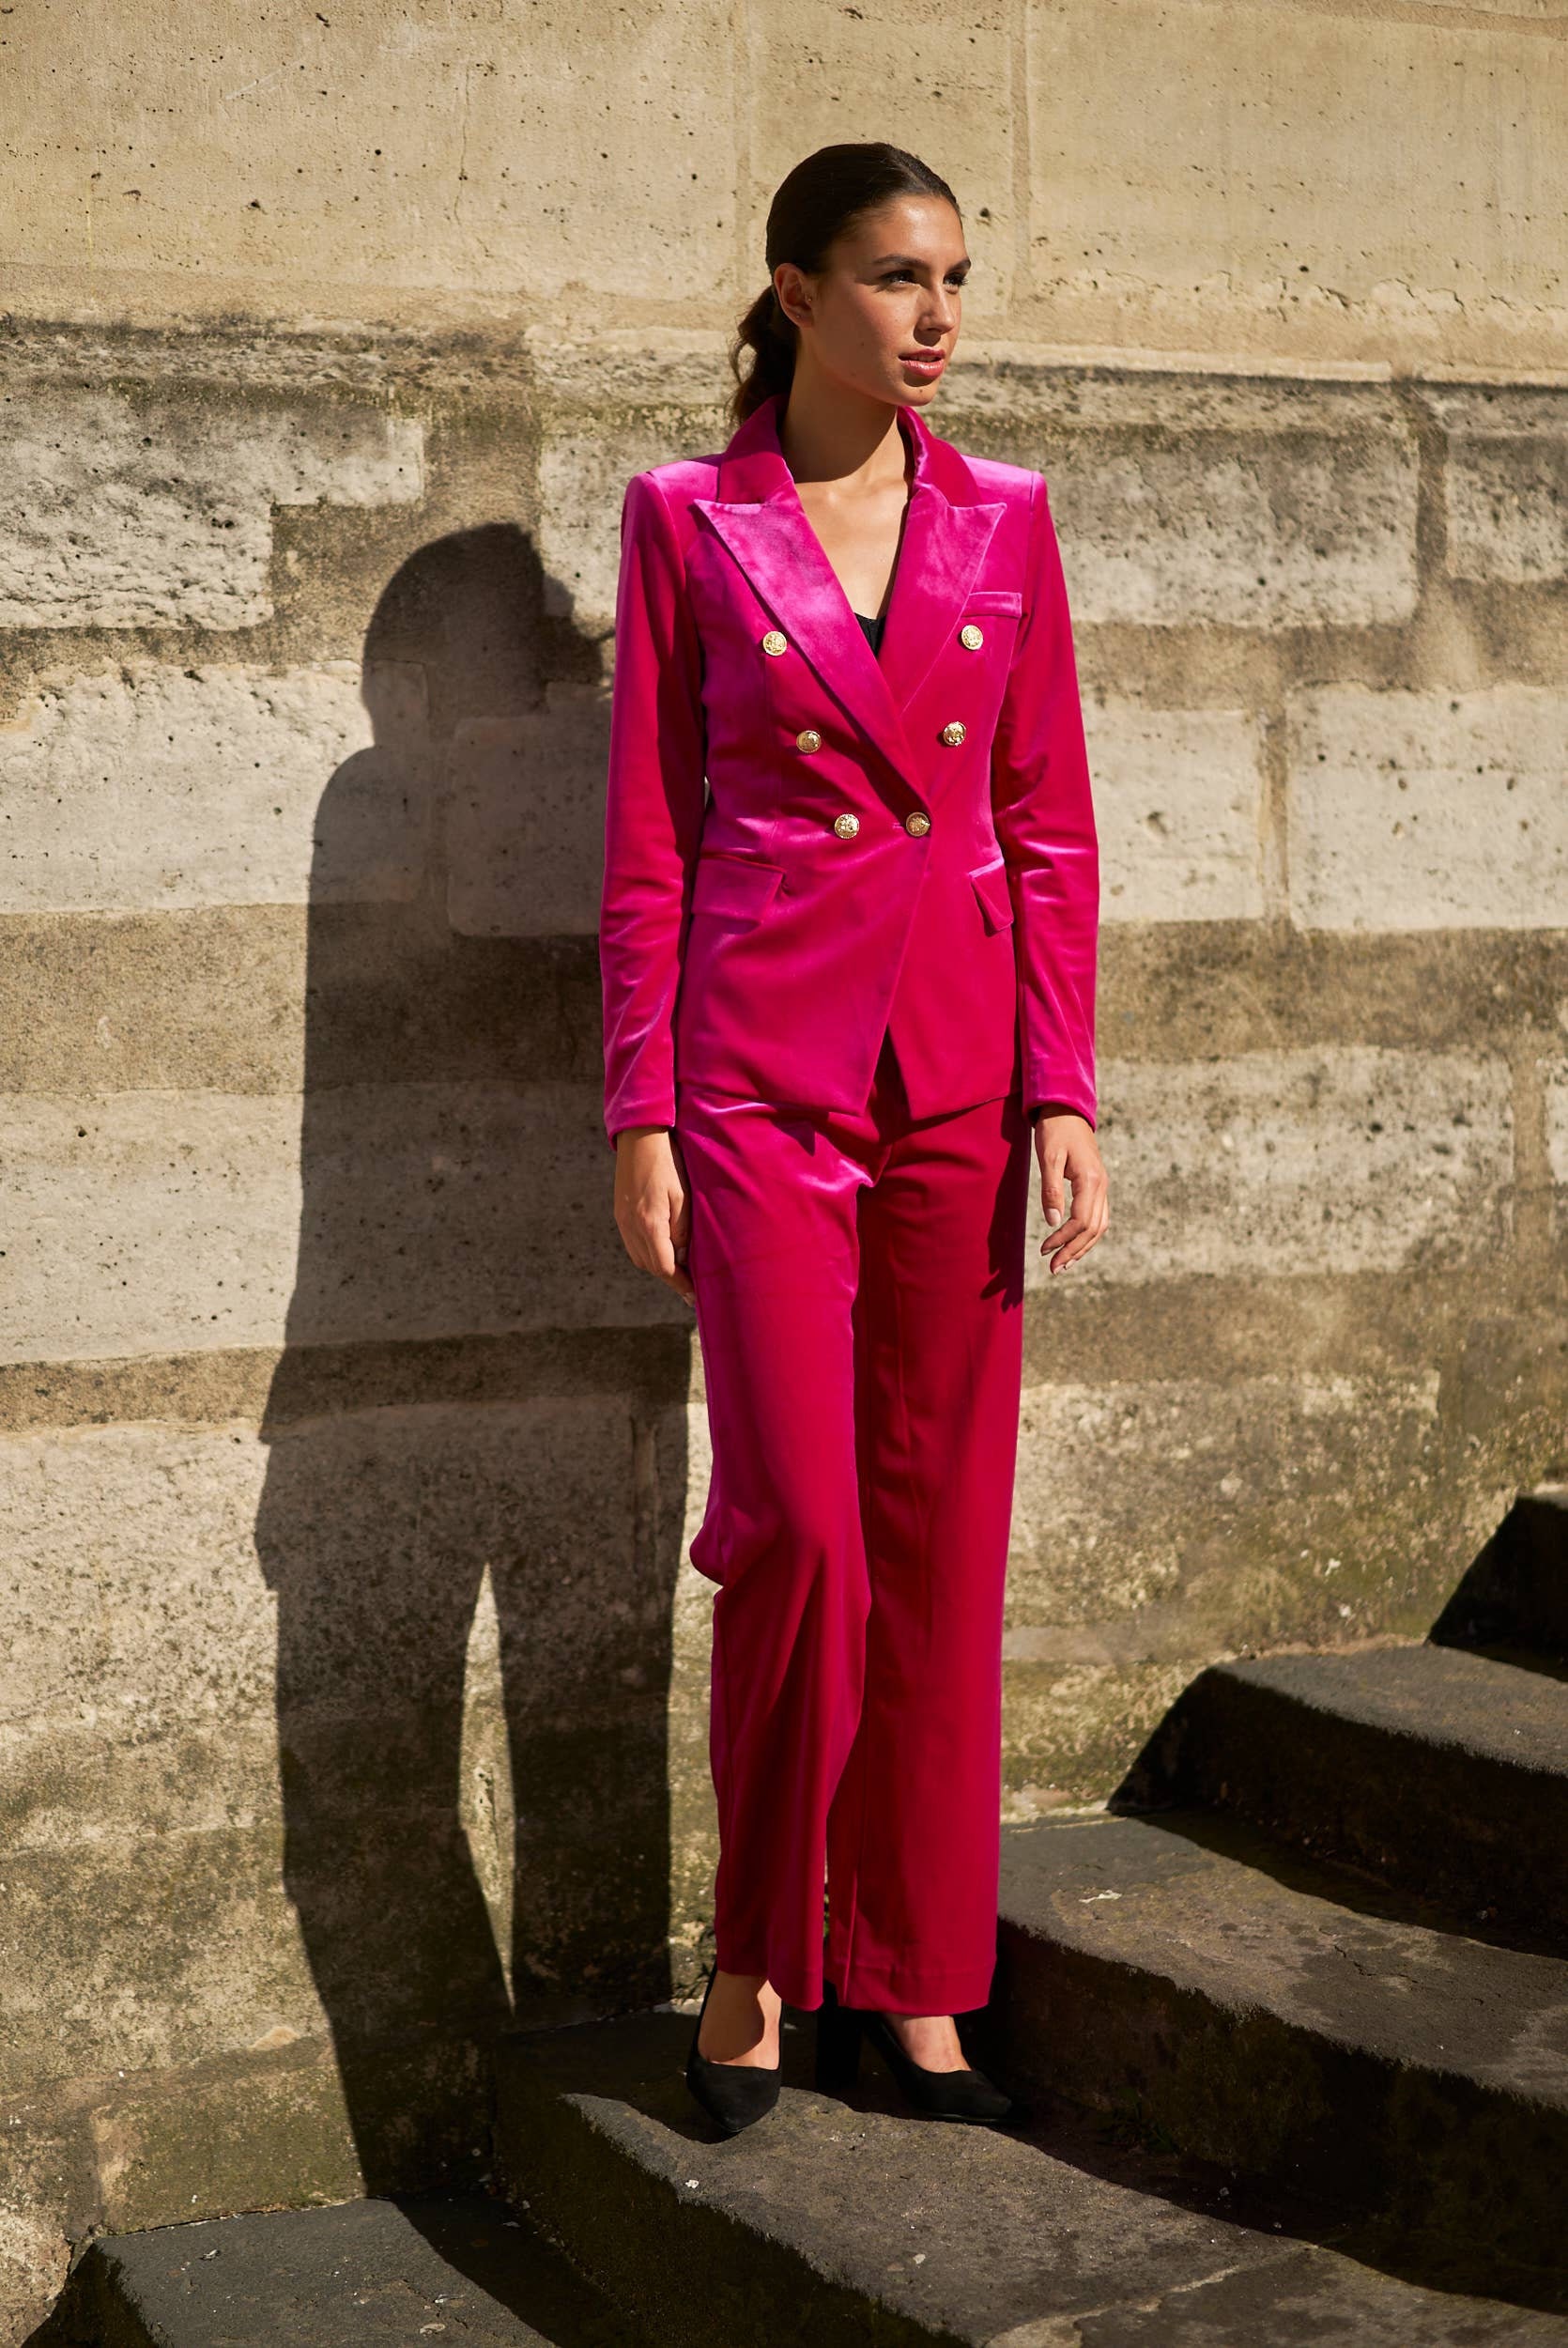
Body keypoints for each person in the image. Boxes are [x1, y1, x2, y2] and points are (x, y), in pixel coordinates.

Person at [601, 141, 1108, 2134]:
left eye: (957, 280)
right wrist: (636, 1105)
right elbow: (649, 841)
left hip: (957, 1078)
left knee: (940, 1534)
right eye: (899, 277)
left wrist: (1061, 1082)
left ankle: (910, 1975)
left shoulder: (1006, 521)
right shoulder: (686, 521)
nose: (939, 319)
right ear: (796, 291)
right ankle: (751, 1954)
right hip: (757, 1078)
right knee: (798, 1522)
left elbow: (1048, 820)